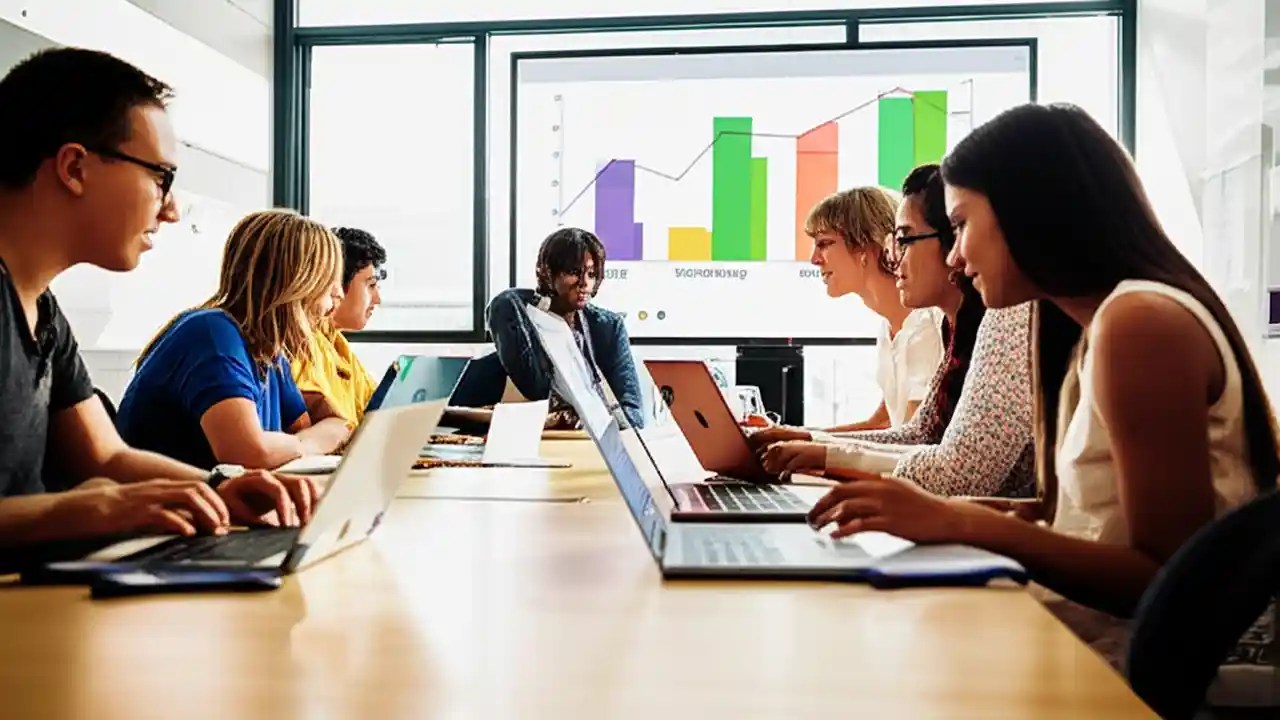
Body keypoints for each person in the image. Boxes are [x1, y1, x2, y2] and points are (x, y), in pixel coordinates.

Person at [807, 103, 1280, 683]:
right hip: (1079, 642)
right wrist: (929, 513)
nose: (954, 257)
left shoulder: (1141, 324)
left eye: (960, 227)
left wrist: (958, 521)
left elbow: (1165, 577)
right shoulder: (1090, 327)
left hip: (1110, 670)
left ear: (1028, 212)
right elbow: (1071, 519)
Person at [0, 48, 317, 549]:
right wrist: (91, 507)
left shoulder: (44, 314)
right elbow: (101, 483)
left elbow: (106, 458)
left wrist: (219, 488)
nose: (170, 210)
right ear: (74, 167)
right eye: (160, 178)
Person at [755, 165, 1036, 499]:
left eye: (903, 240)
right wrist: (810, 444)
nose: (959, 255)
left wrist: (822, 453)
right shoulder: (956, 326)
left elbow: (958, 474)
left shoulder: (1001, 316)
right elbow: (917, 435)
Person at [117, 209, 352, 470]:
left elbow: (330, 426)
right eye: (328, 282)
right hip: (167, 506)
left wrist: (298, 443)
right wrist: (302, 446)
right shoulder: (213, 334)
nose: (339, 295)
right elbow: (250, 453)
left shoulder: (270, 354)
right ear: (294, 284)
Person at [452, 227, 645, 429]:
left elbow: (632, 413)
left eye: (592, 274)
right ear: (545, 271)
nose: (584, 283)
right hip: (536, 432)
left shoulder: (608, 328)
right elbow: (535, 387)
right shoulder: (521, 318)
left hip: (595, 436)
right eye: (573, 272)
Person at [807, 186, 942, 430]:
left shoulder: (926, 324)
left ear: (867, 247)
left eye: (824, 243)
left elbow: (911, 439)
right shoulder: (889, 326)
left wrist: (809, 444)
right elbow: (880, 424)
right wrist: (791, 437)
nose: (814, 259)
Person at [291, 226, 387, 425]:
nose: (377, 299)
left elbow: (378, 406)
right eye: (370, 285)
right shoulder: (300, 343)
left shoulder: (337, 345)